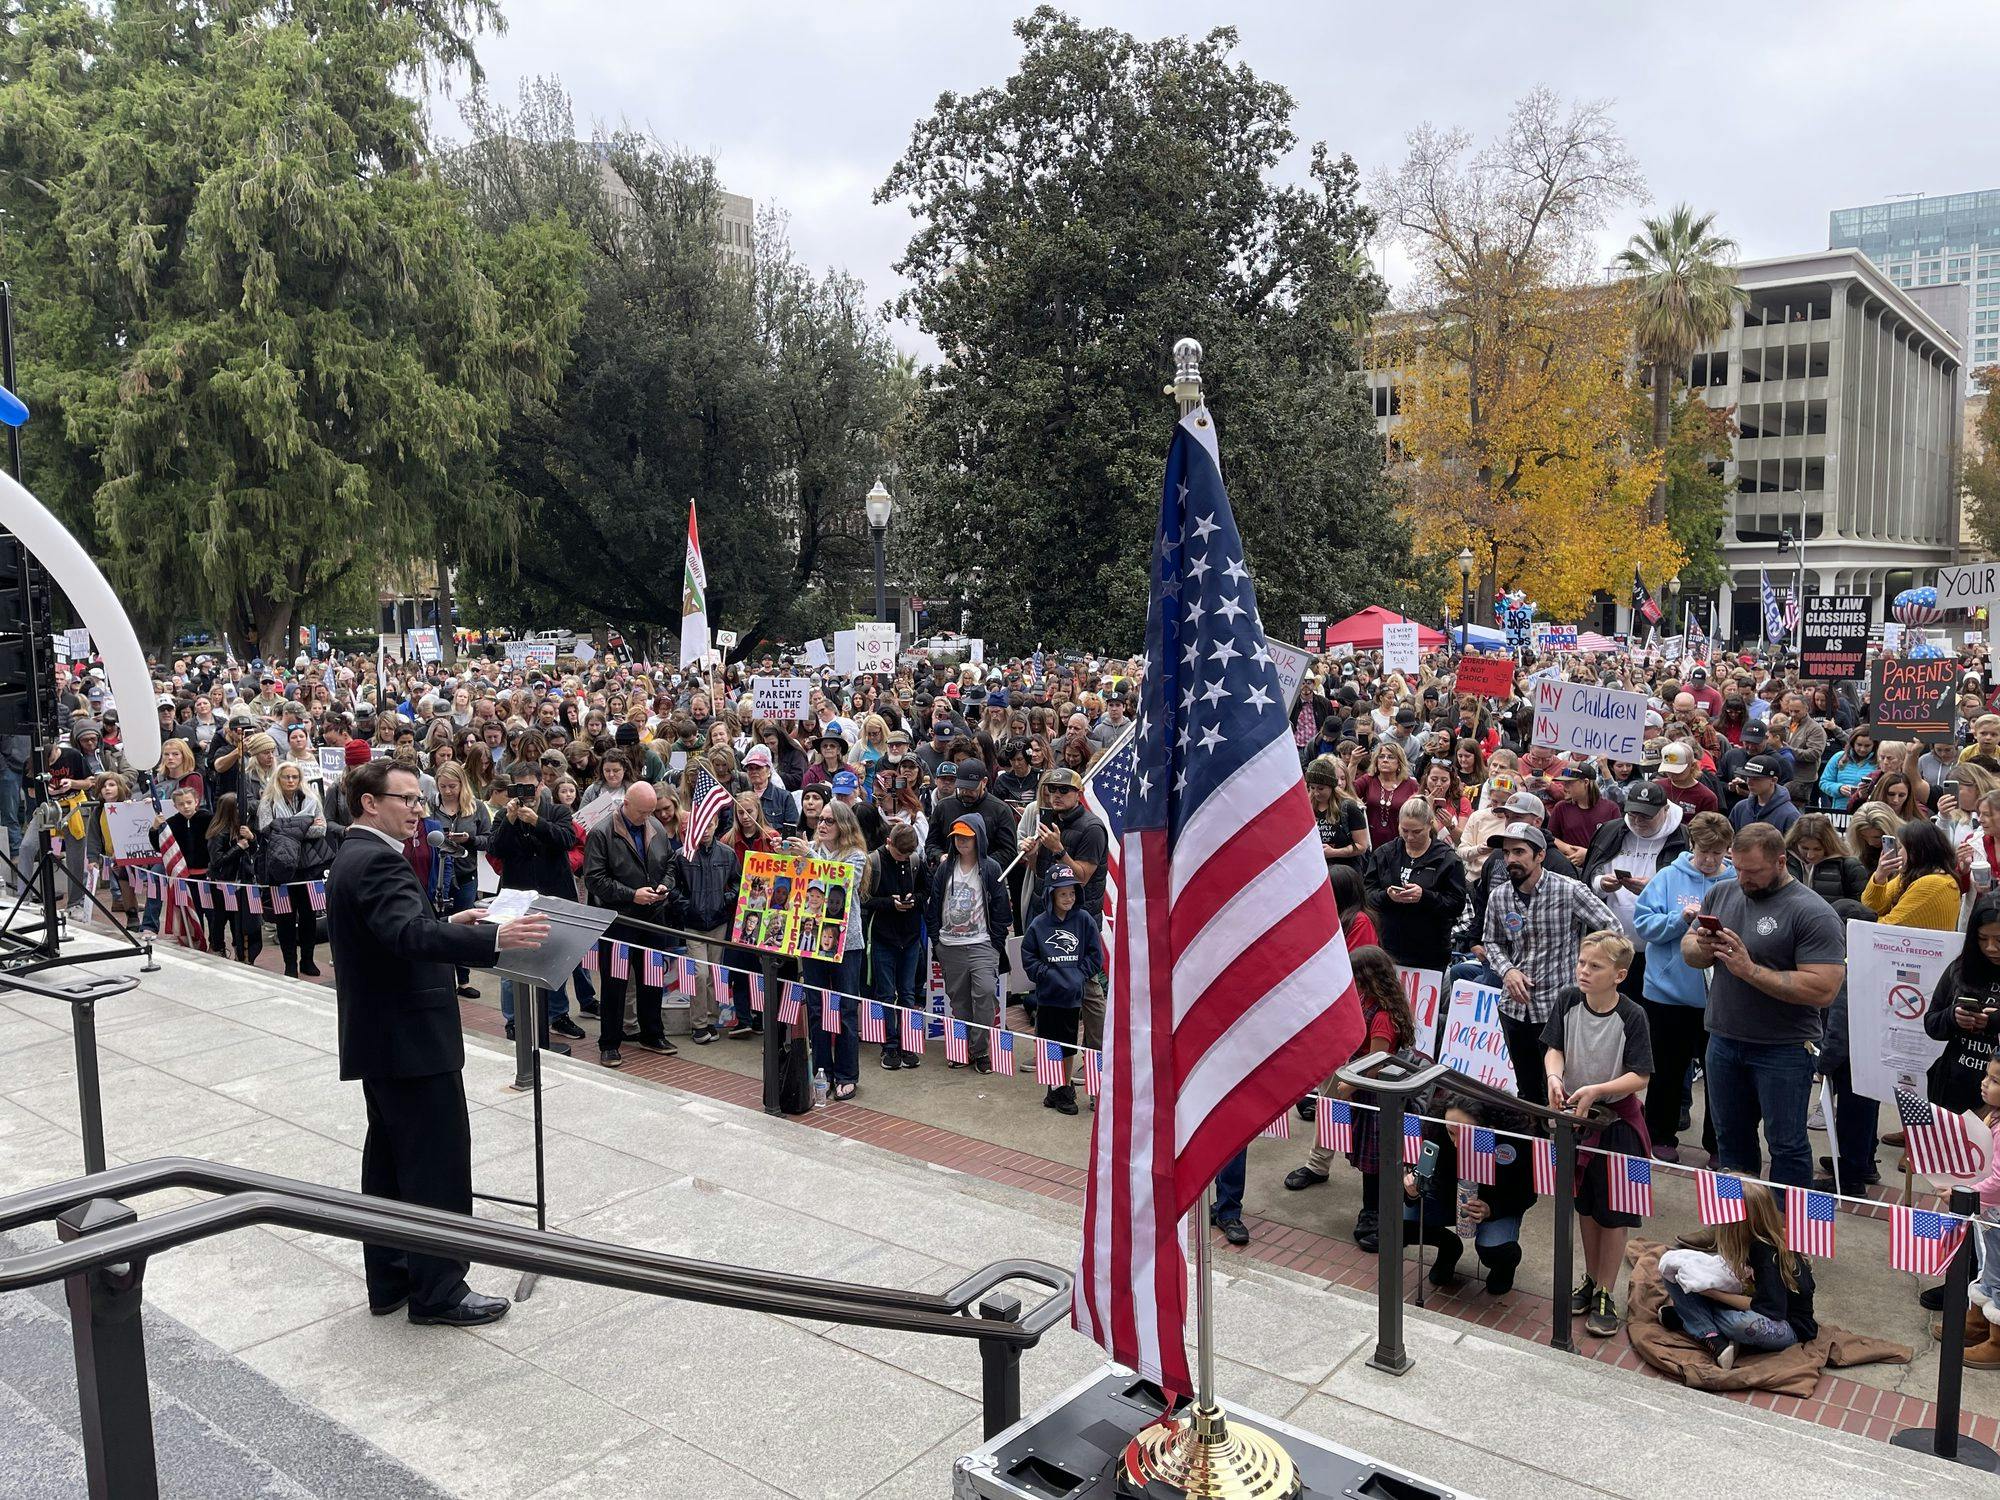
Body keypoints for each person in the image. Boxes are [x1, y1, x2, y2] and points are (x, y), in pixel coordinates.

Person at [327, 757, 550, 1327]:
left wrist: (459, 919)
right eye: (406, 799)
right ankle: (440, 1291)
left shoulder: (358, 856)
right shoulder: (376, 861)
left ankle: (394, 1276)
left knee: (390, 1164)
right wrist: (494, 938)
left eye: (420, 800)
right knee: (435, 1168)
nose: (417, 809)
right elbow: (406, 935)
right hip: (410, 1041)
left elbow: (399, 928)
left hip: (384, 1039)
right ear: (369, 803)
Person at [1683, 822, 1846, 1188]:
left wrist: (1749, 970)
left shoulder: (1813, 912)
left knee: (1786, 1146)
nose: (1743, 878)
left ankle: (1788, 1237)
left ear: (1781, 861)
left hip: (1783, 1048)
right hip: (1724, 1040)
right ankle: (1734, 1231)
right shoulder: (1723, 893)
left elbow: (1824, 989)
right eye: (1737, 868)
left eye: (1753, 871)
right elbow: (1689, 948)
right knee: (1730, 1142)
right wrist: (1703, 949)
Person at [1543, 930, 1654, 1340]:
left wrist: (1597, 1090)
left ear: (1620, 975)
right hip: (1576, 1121)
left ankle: (1607, 1291)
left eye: (1596, 966)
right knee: (1586, 1207)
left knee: (1614, 1213)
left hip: (1618, 1126)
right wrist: (1555, 1077)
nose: (1584, 972)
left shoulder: (1633, 1015)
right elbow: (1553, 1047)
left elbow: (1639, 1075)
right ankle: (1591, 1280)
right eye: (1582, 963)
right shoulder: (1568, 1000)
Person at [1282, 945, 1414, 1253]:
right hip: (1364, 1091)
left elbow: (1376, 1060)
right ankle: (1371, 1210)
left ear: (1367, 977)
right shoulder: (1368, 1001)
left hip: (1376, 1097)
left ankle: (1380, 1215)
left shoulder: (1382, 1017)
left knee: (1380, 1160)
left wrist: (1348, 1087)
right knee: (1371, 1162)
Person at [1482, 822, 1619, 1109]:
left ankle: (1562, 1150)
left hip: (1557, 1010)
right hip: (1514, 1009)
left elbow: (1611, 928)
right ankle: (1533, 1148)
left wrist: (1585, 966)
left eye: (1519, 852)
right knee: (1527, 1090)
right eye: (1506, 853)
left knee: (1560, 1091)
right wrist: (1507, 970)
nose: (1510, 860)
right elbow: (1491, 942)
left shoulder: (1569, 890)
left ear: (1540, 855)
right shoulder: (1499, 896)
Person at [1630, 811, 1733, 1162]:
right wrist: (1680, 919)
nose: (1709, 860)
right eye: (1704, 852)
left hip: (1717, 997)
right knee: (1666, 1071)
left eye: (1717, 853)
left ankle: (1719, 1145)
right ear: (1691, 846)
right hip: (1667, 994)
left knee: (1721, 1076)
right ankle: (1660, 1135)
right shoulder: (1668, 877)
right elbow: (1644, 925)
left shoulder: (1735, 881)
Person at [1661, 1184, 1817, 1369]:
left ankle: (1697, 1323)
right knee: (1674, 1269)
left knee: (1743, 1325)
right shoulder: (1754, 1242)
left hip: (1787, 1325)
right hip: (1753, 1300)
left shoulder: (1766, 1254)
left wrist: (1712, 1294)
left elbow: (1769, 1309)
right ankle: (1702, 1325)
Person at [582, 781, 680, 1068]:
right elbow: (594, 879)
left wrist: (665, 885)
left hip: (653, 917)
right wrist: (631, 895)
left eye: (651, 812)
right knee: (615, 982)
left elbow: (671, 863)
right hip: (619, 920)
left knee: (651, 979)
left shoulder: (656, 827)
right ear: (626, 805)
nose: (649, 817)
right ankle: (609, 1042)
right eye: (642, 812)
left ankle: (652, 1033)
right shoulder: (602, 833)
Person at [1402, 1091, 1537, 1295]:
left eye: (1464, 1133)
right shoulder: (1435, 1132)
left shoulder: (1514, 1142)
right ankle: (1449, 1247)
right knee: (1397, 1220)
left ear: (1488, 1127)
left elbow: (1527, 1195)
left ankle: (1504, 1266)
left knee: (1492, 1249)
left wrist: (1492, 1209)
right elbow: (1422, 1174)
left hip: (1494, 1208)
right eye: (1451, 1132)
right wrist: (1412, 1190)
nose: (1456, 1143)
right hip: (1447, 1200)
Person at [926, 811, 1010, 1074]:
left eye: (966, 837)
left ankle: (981, 1049)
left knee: (985, 992)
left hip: (982, 944)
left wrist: (995, 943)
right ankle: (962, 1049)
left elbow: (1000, 910)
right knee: (959, 1001)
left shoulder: (991, 868)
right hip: (949, 946)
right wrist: (936, 940)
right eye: (957, 838)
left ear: (978, 838)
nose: (961, 842)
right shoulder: (945, 868)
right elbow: (933, 904)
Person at [796, 800, 869, 1101]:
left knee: (846, 1010)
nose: (822, 825)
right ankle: (822, 1069)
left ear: (843, 825)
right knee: (816, 1008)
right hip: (812, 939)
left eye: (829, 821)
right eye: (820, 820)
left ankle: (848, 1074)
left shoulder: (856, 855)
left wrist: (809, 855)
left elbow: (840, 879)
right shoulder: (812, 848)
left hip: (846, 944)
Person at [1021, 863, 1103, 1115]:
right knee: (1048, 1043)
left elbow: (1094, 955)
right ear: (1050, 895)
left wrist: (1079, 975)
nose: (1068, 898)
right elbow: (1028, 955)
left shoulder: (1084, 920)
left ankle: (1065, 1086)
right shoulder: (1039, 924)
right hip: (1047, 997)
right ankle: (1053, 1089)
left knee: (1068, 1045)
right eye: (1062, 893)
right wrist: (1044, 975)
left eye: (1072, 893)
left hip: (1071, 998)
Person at [1362, 794, 1466, 972]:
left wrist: (1424, 896)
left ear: (1429, 825)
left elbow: (1456, 904)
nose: (1409, 837)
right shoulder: (1385, 853)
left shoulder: (1447, 859)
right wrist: (1386, 896)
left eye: (1417, 832)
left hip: (1430, 952)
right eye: (1404, 830)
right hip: (1389, 947)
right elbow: (1367, 894)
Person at [673, 794, 741, 1046]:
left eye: (710, 824)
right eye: (700, 825)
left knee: (714, 974)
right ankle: (698, 1023)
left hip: (718, 922)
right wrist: (686, 907)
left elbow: (736, 881)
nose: (705, 830)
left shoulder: (727, 853)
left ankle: (711, 1018)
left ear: (715, 824)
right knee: (699, 974)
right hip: (694, 924)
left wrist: (726, 900)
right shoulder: (682, 855)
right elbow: (674, 885)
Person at [254, 762, 331, 978]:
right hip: (280, 867)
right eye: (286, 777)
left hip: (309, 866)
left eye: (294, 777)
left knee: (308, 914)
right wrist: (304, 824)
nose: (290, 781)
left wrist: (286, 828)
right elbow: (267, 829)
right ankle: (290, 963)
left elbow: (321, 829)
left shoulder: (311, 799)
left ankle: (307, 959)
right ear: (278, 779)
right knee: (284, 916)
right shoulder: (268, 802)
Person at [865, 824, 929, 1070]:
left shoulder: (915, 860)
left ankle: (908, 1043)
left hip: (910, 937)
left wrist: (915, 900)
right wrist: (890, 904)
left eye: (907, 855)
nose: (903, 858)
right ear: (889, 842)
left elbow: (927, 889)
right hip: (883, 937)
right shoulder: (875, 861)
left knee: (908, 993)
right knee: (885, 994)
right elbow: (865, 899)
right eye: (899, 854)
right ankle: (889, 1045)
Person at [1861, 817, 1962, 931]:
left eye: (1900, 848)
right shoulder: (1907, 876)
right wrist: (1879, 877)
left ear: (1916, 851)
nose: (1897, 853)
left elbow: (1887, 927)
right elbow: (1870, 910)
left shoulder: (1934, 884)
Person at [1783, 814, 1867, 905]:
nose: (1810, 855)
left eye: (1817, 849)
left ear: (1829, 845)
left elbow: (1858, 908)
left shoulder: (1849, 866)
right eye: (1804, 848)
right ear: (1795, 843)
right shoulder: (1782, 862)